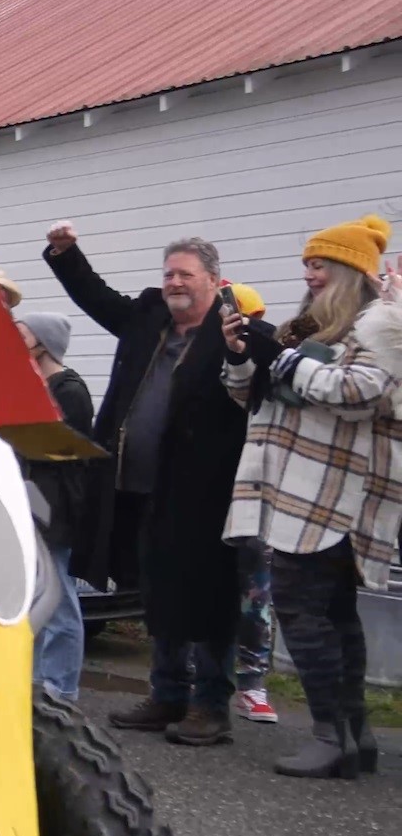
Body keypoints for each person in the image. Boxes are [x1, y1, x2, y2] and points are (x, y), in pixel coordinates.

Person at [44, 221, 265, 747]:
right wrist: (66, 253)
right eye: (168, 273)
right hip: (138, 489)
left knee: (209, 599)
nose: (173, 282)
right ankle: (167, 694)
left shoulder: (239, 334)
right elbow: (96, 298)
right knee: (158, 595)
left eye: (185, 274)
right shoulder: (147, 318)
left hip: (206, 493)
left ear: (213, 280)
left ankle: (210, 705)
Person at [221, 218, 397, 779]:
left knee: (304, 611)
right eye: (308, 263)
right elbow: (252, 397)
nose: (309, 273)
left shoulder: (374, 327)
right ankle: (353, 737)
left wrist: (286, 361)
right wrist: (245, 357)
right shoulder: (309, 329)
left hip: (332, 492)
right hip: (298, 487)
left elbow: (360, 393)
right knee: (333, 614)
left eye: (320, 264)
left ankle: (332, 735)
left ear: (350, 272)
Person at [15, 311, 95, 701]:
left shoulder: (69, 390)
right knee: (30, 598)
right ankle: (30, 685)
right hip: (27, 503)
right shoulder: (31, 385)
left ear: (44, 342)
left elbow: (61, 449)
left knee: (59, 600)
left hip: (56, 508)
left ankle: (61, 689)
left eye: (23, 333)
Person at [220, 278, 281, 725]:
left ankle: (253, 683)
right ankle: (202, 670)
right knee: (211, 584)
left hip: (256, 494)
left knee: (257, 592)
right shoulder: (209, 355)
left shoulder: (271, 360)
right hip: (209, 489)